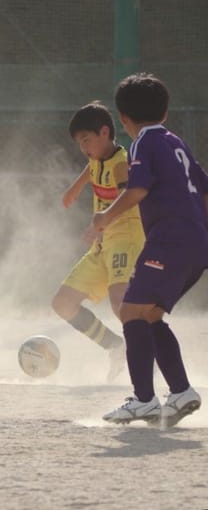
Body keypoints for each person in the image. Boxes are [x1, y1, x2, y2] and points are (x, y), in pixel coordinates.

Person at [96, 73, 206, 426]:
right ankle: (181, 393)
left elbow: (138, 190)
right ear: (166, 112)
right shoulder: (177, 143)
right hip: (196, 244)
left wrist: (105, 217)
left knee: (130, 312)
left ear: (123, 119)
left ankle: (143, 399)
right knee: (150, 315)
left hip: (169, 241)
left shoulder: (143, 142)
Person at [51, 102, 145, 381]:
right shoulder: (97, 157)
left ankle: (147, 364)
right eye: (80, 143)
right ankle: (115, 347)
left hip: (126, 238)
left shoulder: (121, 164)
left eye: (86, 140)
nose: (83, 148)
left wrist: (99, 225)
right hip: (103, 243)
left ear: (105, 133)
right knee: (63, 303)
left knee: (120, 303)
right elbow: (91, 167)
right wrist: (74, 189)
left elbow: (127, 201)